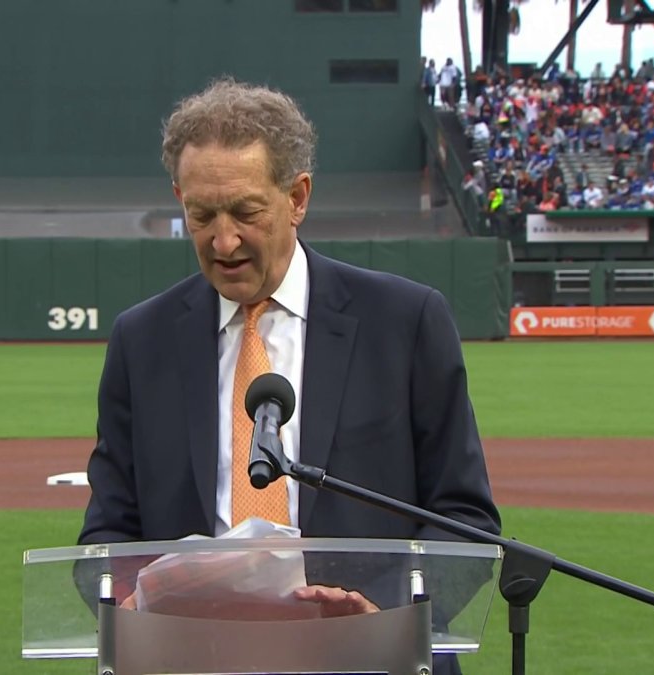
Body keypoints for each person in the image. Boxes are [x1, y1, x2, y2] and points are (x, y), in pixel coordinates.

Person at [77, 78, 501, 622]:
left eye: (245, 212)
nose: (223, 241)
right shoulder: (142, 340)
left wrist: (386, 614)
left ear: (297, 197)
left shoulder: (405, 322)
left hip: (366, 658)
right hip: (197, 655)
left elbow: (464, 519)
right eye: (203, 215)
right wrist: (129, 603)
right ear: (180, 199)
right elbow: (108, 531)